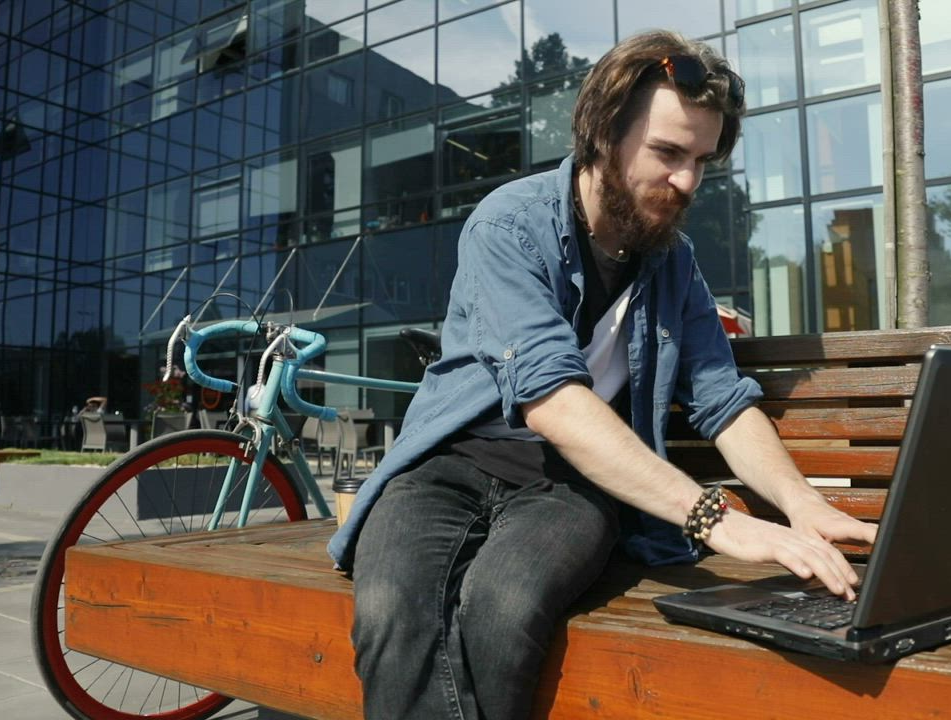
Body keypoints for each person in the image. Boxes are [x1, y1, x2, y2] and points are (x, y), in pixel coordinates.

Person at [331, 31, 879, 720]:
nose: (688, 182)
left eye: (701, 160)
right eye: (668, 153)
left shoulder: (674, 263)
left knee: (503, 606)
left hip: (571, 484)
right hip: (449, 465)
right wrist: (714, 519)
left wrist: (801, 503)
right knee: (392, 609)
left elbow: (723, 401)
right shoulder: (508, 226)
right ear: (601, 134)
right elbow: (553, 401)